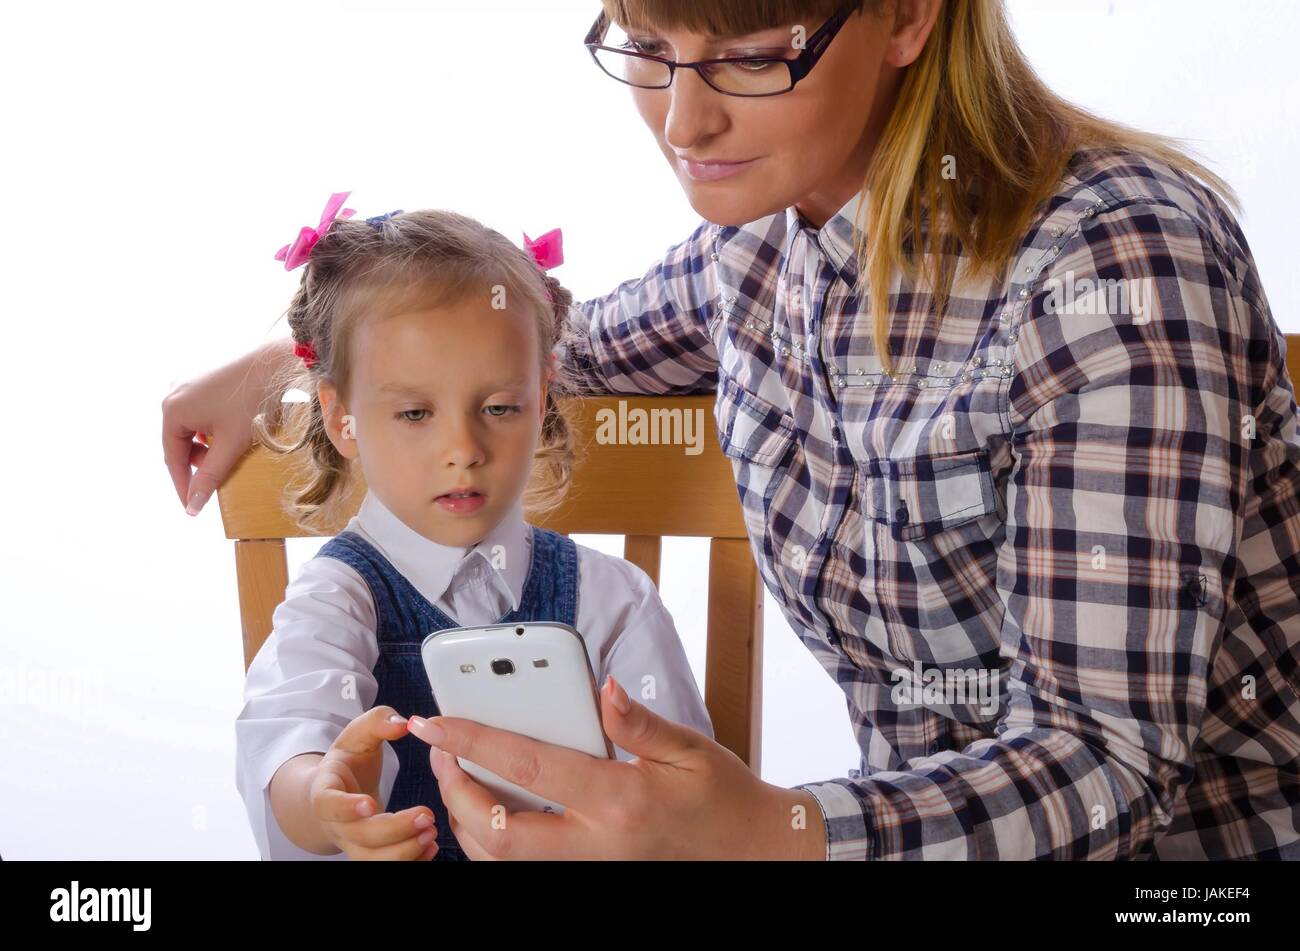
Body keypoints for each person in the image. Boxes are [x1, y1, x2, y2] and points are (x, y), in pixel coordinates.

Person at [165, 0, 1300, 859]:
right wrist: (301, 356)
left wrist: (772, 831)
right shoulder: (762, 245)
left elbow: (1105, 762)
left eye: (753, 54)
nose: (682, 119)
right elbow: (554, 341)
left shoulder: (1117, 267)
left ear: (908, 15)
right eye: (647, 46)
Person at [234, 201, 713, 860]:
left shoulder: (615, 602)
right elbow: (288, 735)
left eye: (499, 406)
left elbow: (691, 816)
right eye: (413, 412)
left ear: (542, 397)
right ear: (342, 418)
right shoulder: (337, 599)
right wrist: (322, 793)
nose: (463, 446)